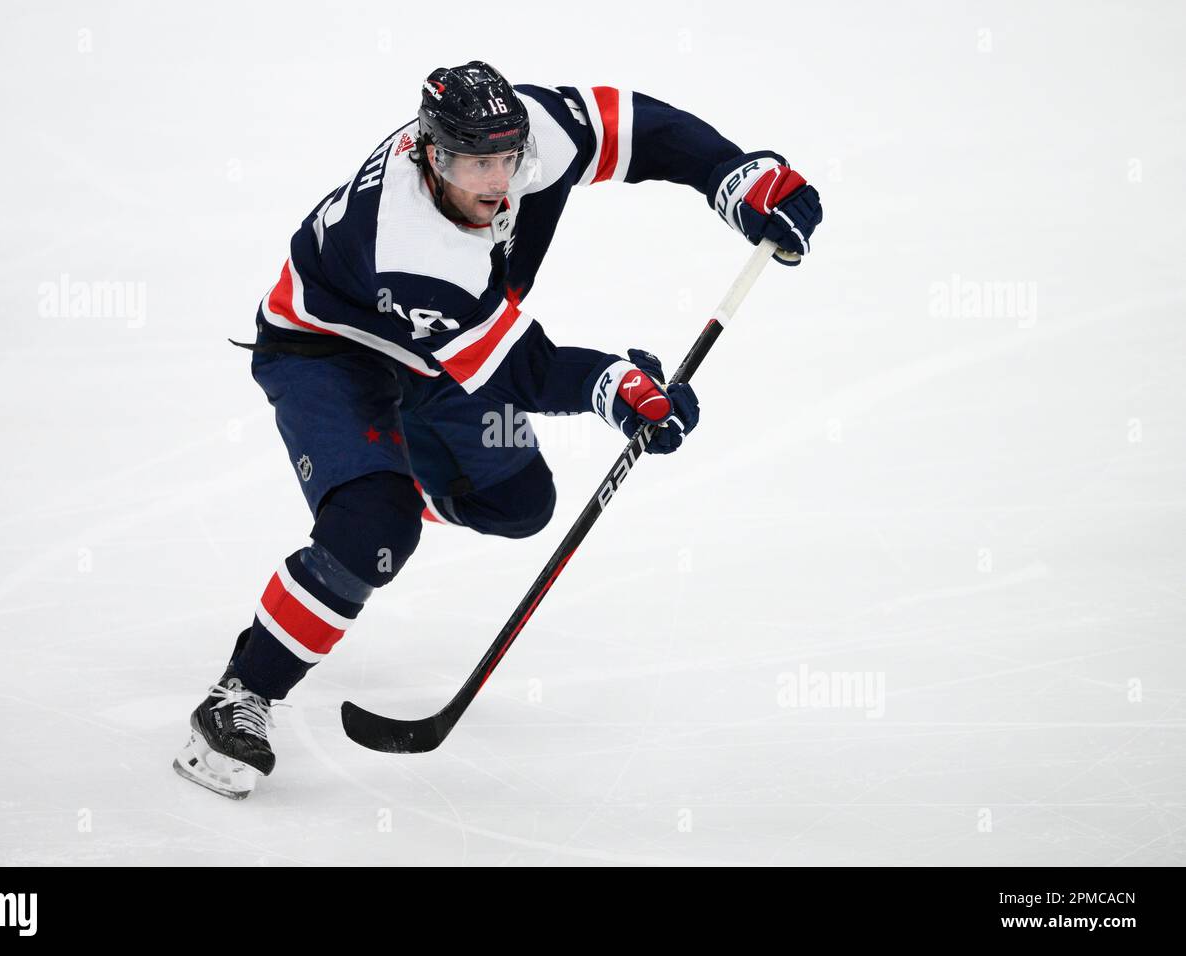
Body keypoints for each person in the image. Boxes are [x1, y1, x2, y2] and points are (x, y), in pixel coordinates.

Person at [174, 61, 823, 798]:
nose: (496, 183)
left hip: (446, 356)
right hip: (331, 353)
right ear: (430, 153)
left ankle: (394, 478)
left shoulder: (531, 134)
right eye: (473, 163)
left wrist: (730, 174)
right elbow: (520, 371)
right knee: (373, 530)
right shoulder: (412, 246)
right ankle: (240, 694)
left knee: (520, 503)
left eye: (506, 159)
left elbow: (636, 128)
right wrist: (611, 384)